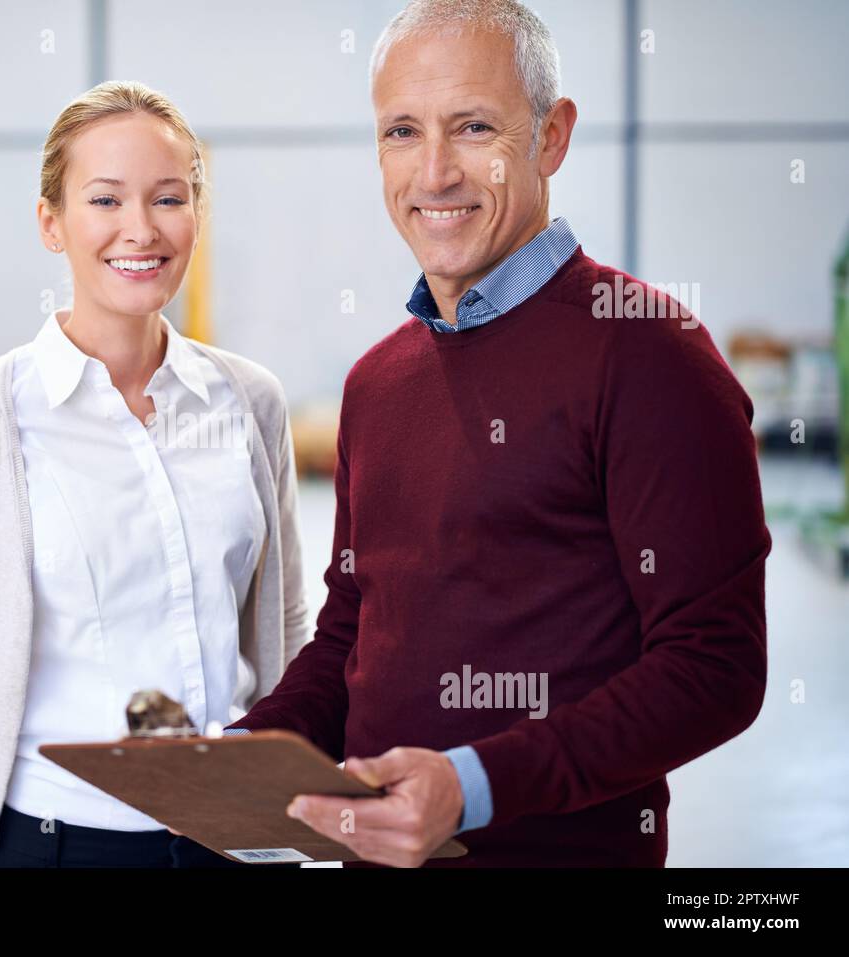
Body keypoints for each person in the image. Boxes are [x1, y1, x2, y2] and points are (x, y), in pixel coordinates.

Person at [226, 0, 770, 867]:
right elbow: (354, 628)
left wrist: (473, 787)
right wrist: (252, 749)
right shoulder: (375, 383)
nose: (433, 172)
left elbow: (716, 669)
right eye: (402, 132)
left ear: (551, 138)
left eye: (472, 127)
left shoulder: (652, 355)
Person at [0, 81, 309, 868]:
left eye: (168, 198)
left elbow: (286, 626)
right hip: (60, 844)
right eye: (105, 200)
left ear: (196, 216)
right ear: (52, 223)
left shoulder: (251, 403)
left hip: (235, 837)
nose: (140, 229)